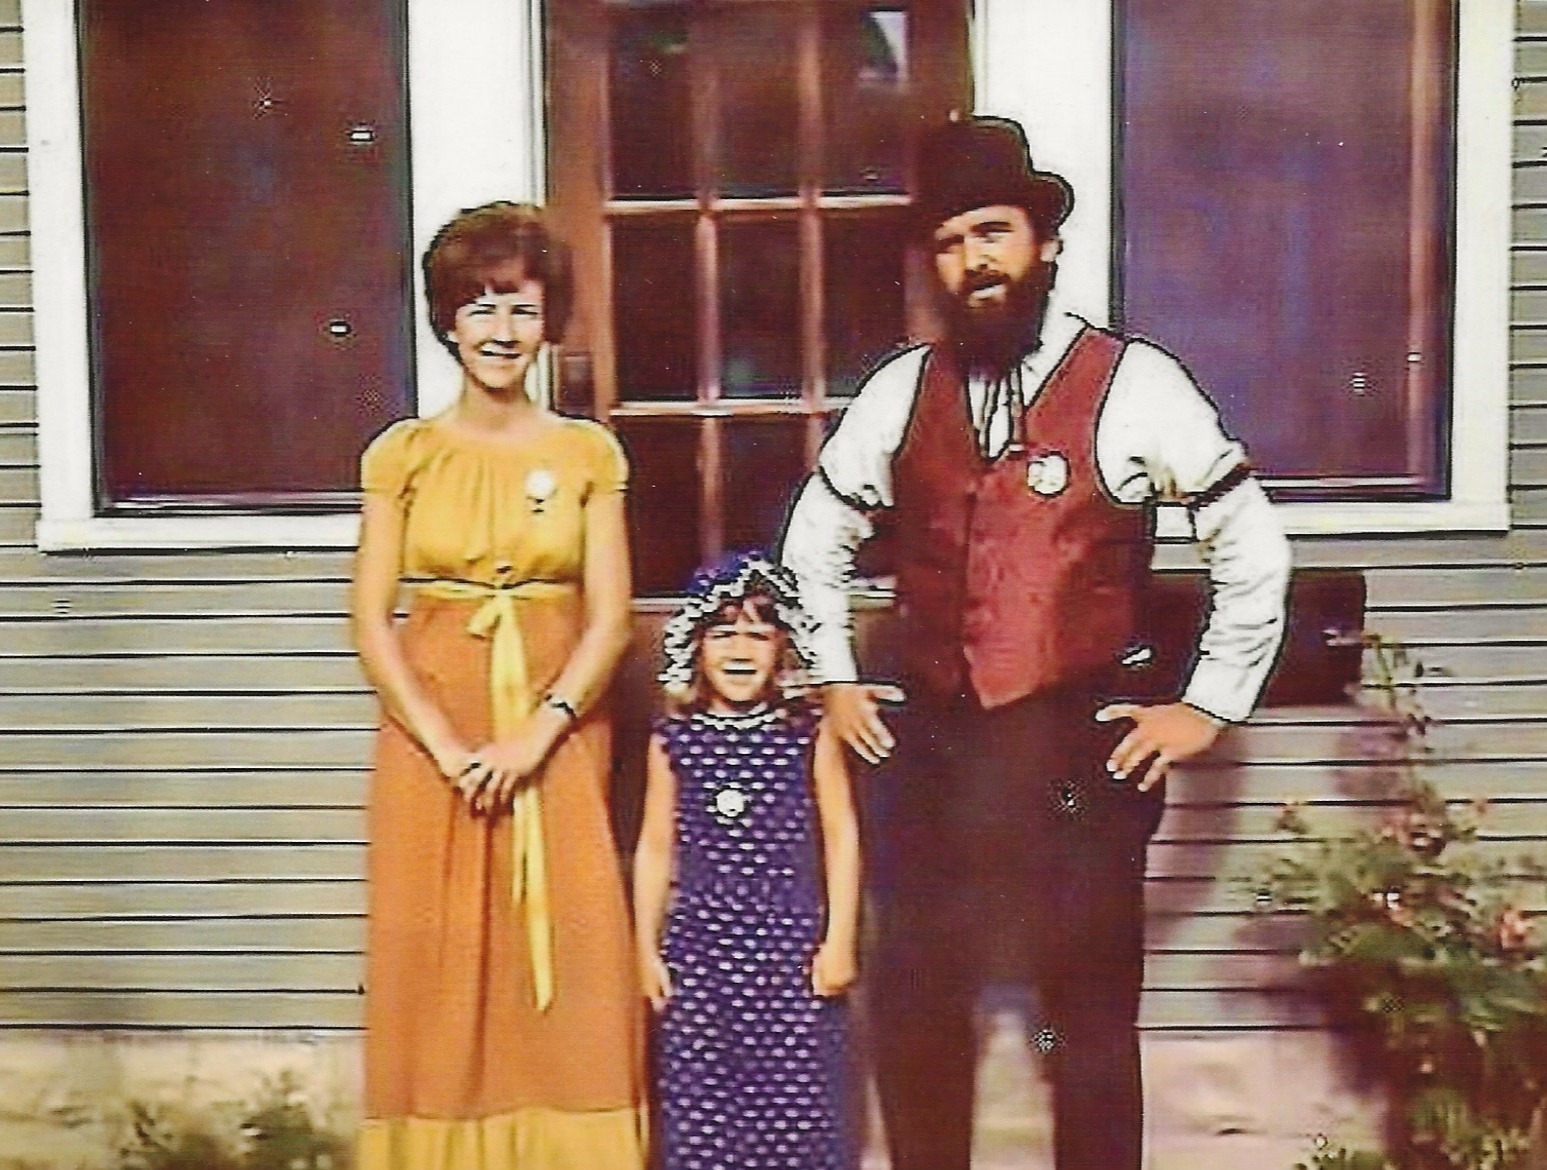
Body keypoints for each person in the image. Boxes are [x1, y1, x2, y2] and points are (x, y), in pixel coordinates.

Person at [780, 116, 1293, 1170]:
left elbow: (1246, 537)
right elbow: (813, 538)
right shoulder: (897, 392)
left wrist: (1205, 705)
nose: (975, 261)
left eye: (994, 233)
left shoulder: (1134, 383)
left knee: (1085, 1021)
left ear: (1041, 243)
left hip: (1073, 749)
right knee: (918, 1003)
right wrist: (831, 674)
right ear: (933, 260)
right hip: (934, 750)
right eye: (953, 240)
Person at [350, 201, 645, 1169]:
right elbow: (370, 623)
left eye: (519, 309)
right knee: (435, 962)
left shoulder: (584, 455)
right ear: (446, 322)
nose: (500, 333)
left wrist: (536, 734)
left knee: (569, 953)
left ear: (547, 321)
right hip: (433, 738)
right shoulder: (404, 455)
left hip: (554, 734)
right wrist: (445, 745)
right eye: (479, 310)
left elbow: (607, 617)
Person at [632, 552, 861, 1170]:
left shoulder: (807, 734)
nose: (741, 650)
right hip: (700, 949)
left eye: (759, 635)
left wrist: (839, 940)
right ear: (697, 646)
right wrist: (645, 947)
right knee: (702, 1104)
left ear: (782, 645)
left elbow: (840, 836)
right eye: (723, 634)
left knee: (793, 1101)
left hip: (790, 947)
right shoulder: (675, 739)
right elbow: (656, 847)